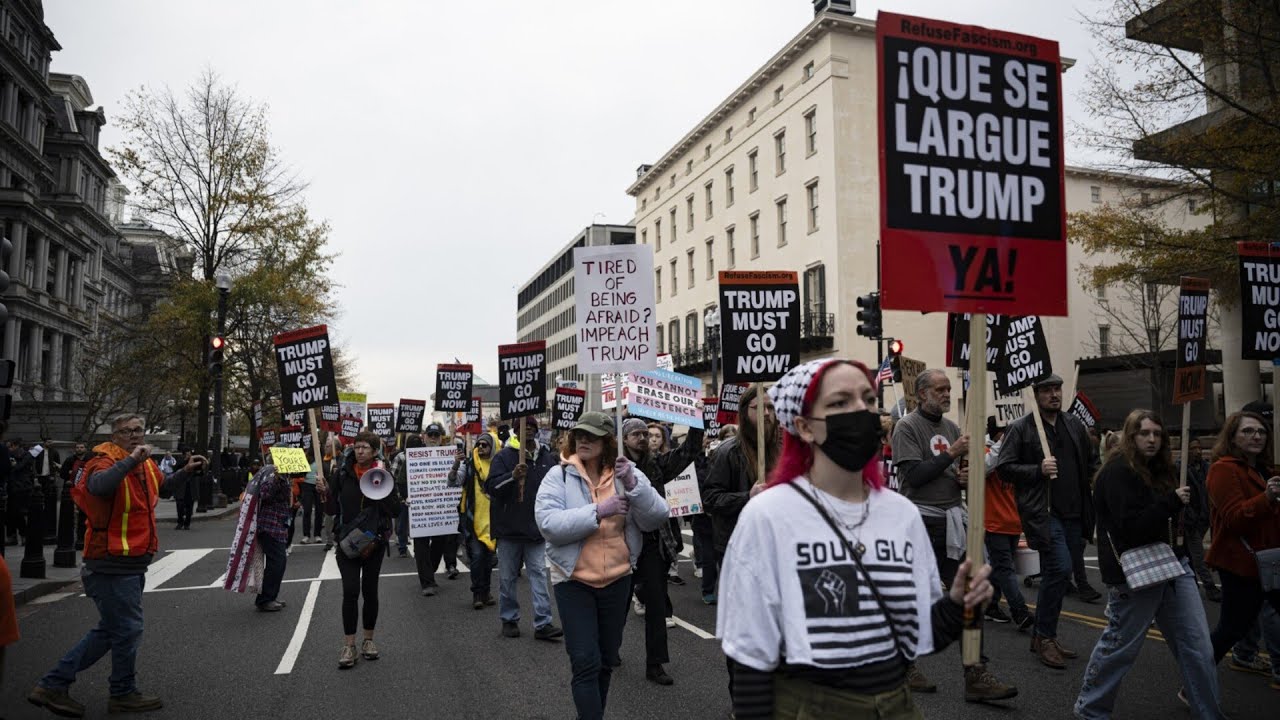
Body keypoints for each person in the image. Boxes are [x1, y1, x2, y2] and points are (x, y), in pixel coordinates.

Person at [718, 358, 995, 719]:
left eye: (867, 398)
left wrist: (962, 606)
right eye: (839, 402)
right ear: (804, 427)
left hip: (895, 705)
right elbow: (748, 656)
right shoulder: (768, 515)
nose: (860, 411)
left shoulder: (902, 514)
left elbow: (919, 635)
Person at [27, 414, 207, 716]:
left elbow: (163, 489)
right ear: (115, 436)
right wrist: (129, 461)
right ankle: (106, 690)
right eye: (126, 432)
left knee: (114, 630)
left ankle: (62, 685)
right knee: (126, 629)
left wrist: (187, 471)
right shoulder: (105, 460)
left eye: (138, 430)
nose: (134, 435)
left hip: (132, 561)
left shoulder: (146, 462)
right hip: (110, 562)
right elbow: (98, 486)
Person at [1073, 409, 1223, 719]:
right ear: (1131, 436)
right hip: (1134, 575)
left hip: (1173, 569)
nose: (1152, 439)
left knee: (1199, 649)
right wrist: (1171, 503)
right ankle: (1090, 711)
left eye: (1158, 434)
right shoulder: (1117, 472)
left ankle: (1209, 713)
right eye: (1144, 433)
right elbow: (1131, 528)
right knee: (1119, 649)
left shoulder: (1161, 470)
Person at [535, 411, 669, 720]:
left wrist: (635, 485)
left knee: (606, 660)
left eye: (592, 436)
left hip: (618, 580)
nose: (583, 439)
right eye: (580, 434)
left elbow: (657, 516)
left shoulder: (626, 472)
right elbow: (549, 524)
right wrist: (598, 511)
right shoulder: (560, 475)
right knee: (585, 661)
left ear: (608, 442)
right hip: (574, 581)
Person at [891, 369, 1016, 701]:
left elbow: (951, 473)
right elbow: (915, 476)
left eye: (948, 389)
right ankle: (904, 665)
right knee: (913, 598)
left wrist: (963, 476)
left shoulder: (951, 428)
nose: (947, 394)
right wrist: (952, 453)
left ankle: (975, 672)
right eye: (940, 389)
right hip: (918, 523)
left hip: (951, 523)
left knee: (970, 593)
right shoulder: (906, 427)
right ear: (921, 395)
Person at [994, 373, 1099, 672]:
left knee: (1058, 573)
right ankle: (1045, 637)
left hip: (1075, 512)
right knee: (1061, 568)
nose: (1054, 394)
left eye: (1058, 389)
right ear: (1036, 394)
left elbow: (1092, 464)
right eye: (1048, 390)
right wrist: (1037, 469)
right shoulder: (1022, 428)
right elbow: (1004, 468)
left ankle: (1041, 636)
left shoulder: (1074, 425)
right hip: (1044, 513)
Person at [621, 416, 704, 685]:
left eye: (646, 433)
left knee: (657, 605)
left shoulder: (657, 465)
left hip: (654, 544)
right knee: (617, 605)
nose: (643, 438)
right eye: (636, 434)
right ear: (624, 439)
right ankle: (608, 651)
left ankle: (655, 664)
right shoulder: (613, 467)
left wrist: (696, 422)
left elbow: (688, 453)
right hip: (621, 545)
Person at [1204, 410, 1280, 663]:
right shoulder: (1223, 470)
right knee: (1231, 629)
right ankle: (1195, 681)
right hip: (1241, 563)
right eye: (1247, 431)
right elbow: (1234, 519)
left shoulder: (1264, 470)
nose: (1256, 436)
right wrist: (1266, 497)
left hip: (1269, 561)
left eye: (1261, 431)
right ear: (1233, 437)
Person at [327, 431, 401, 669]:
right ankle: (349, 644)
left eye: (365, 448)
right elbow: (330, 509)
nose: (360, 451)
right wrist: (324, 489)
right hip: (347, 542)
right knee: (350, 591)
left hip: (373, 543)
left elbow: (396, 510)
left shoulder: (384, 474)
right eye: (357, 447)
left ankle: (368, 640)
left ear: (374, 451)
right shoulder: (341, 474)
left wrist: (382, 493)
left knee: (370, 591)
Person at [487, 417, 563, 640]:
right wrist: (512, 477)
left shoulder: (546, 458)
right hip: (509, 529)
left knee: (539, 575)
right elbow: (491, 487)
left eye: (531, 427)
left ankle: (543, 623)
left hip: (536, 529)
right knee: (508, 577)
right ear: (515, 431)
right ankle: (509, 619)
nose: (528, 430)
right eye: (523, 427)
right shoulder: (504, 457)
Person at [983, 417, 1033, 630]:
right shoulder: (987, 454)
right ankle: (1019, 611)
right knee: (1005, 569)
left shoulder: (1016, 455)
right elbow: (984, 469)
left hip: (1013, 522)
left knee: (999, 568)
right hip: (994, 523)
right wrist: (1002, 444)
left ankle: (991, 605)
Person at [452, 432, 496, 610]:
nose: (482, 448)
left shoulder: (497, 465)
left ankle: (486, 591)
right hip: (473, 520)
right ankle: (477, 592)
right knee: (477, 556)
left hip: (492, 520)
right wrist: (456, 464)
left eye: (486, 445)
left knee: (488, 559)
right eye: (479, 445)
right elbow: (453, 482)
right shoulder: (469, 465)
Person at [415, 423, 460, 593]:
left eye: (436, 435)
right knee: (421, 544)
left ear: (441, 437)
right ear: (424, 436)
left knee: (439, 542)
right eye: (430, 434)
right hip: (420, 508)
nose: (433, 438)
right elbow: (402, 479)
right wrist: (405, 495)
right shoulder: (412, 456)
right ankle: (427, 582)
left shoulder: (449, 456)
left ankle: (430, 570)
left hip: (441, 507)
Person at [1179, 437, 1221, 602]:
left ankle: (1190, 584)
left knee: (1189, 554)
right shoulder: (1181, 469)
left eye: (1199, 448)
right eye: (1193, 448)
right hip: (1191, 521)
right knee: (1198, 556)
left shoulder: (1206, 467)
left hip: (1205, 517)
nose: (1198, 451)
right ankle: (1210, 587)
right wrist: (1190, 517)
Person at [251, 465, 292, 611]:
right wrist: (276, 478)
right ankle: (265, 599)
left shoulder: (284, 475)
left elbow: (284, 496)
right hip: (269, 524)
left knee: (278, 562)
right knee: (277, 561)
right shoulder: (270, 473)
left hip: (278, 525)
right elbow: (265, 494)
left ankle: (271, 597)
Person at [389, 436, 417, 559]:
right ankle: (402, 547)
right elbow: (393, 478)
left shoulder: (422, 457)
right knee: (402, 523)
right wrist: (399, 496)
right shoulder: (400, 457)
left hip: (417, 495)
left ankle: (418, 547)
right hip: (403, 495)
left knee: (418, 523)